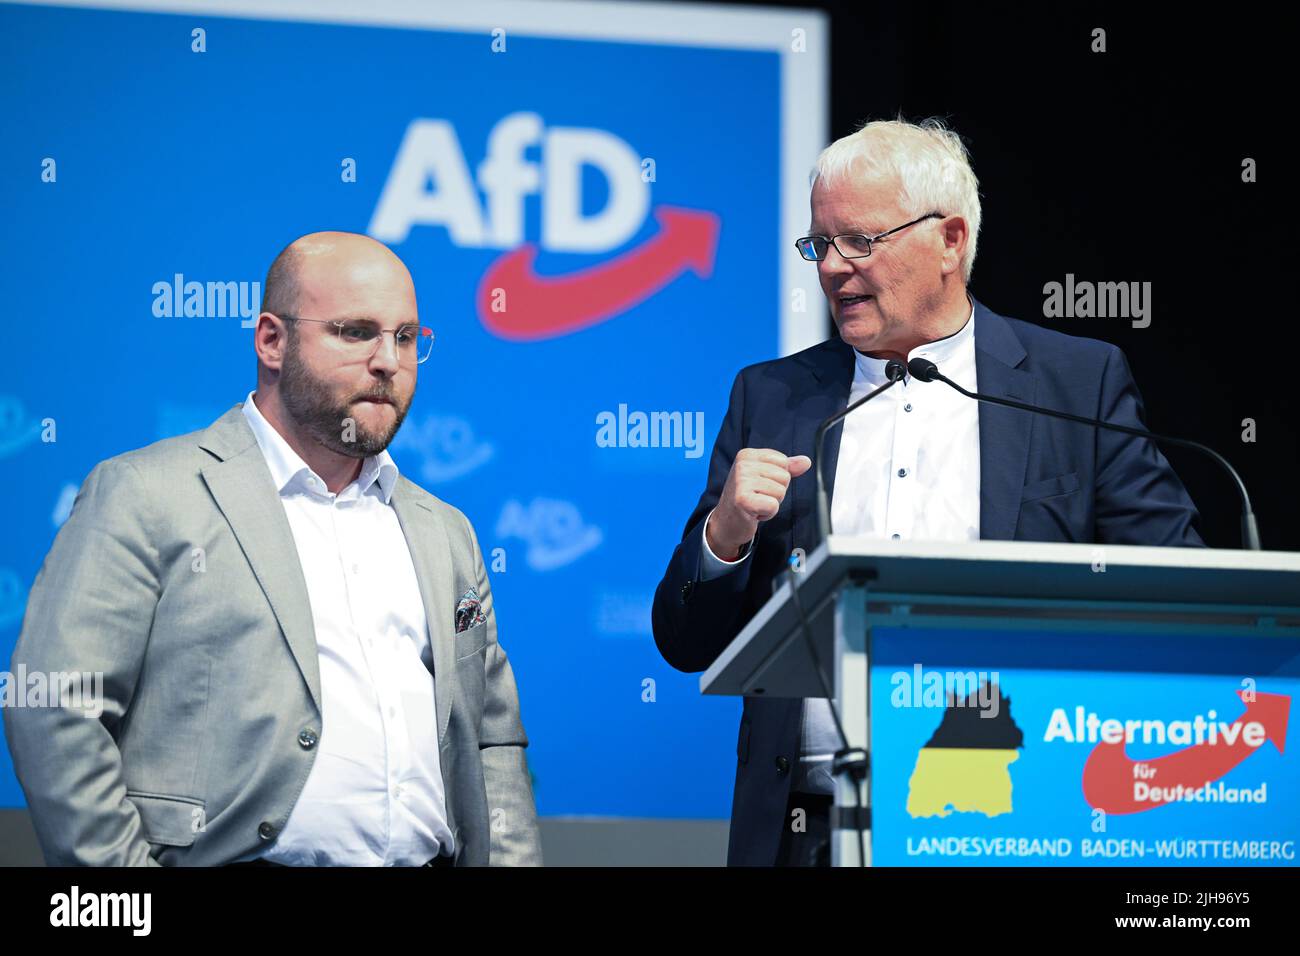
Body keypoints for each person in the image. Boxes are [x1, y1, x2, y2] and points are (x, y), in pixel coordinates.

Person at [651, 118, 1203, 866]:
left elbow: (1179, 594)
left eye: (860, 241)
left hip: (1017, 811)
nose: (833, 269)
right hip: (811, 829)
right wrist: (724, 537)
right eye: (820, 245)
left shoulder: (1073, 385)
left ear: (950, 239)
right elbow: (686, 644)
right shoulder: (772, 398)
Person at [6, 231, 542, 866]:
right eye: (355, 331)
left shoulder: (445, 529)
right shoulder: (144, 494)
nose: (388, 362)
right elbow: (58, 707)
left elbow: (490, 741)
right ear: (271, 341)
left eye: (405, 338)